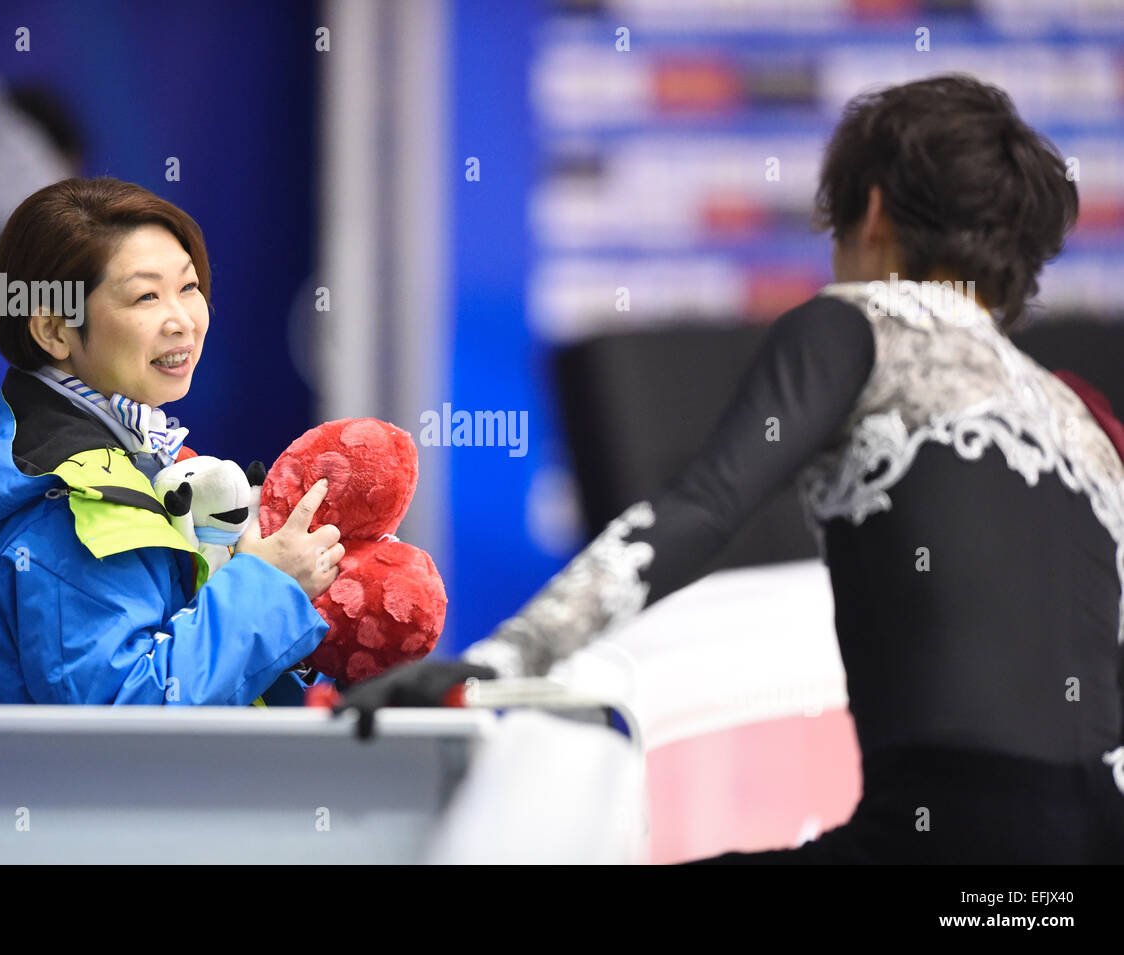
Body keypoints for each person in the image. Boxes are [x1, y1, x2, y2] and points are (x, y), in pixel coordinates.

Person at [338, 75, 1124, 863]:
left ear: (874, 211)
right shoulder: (1081, 420)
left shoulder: (860, 326)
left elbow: (704, 505)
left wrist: (496, 659)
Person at [0, 177, 343, 706]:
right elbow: (126, 719)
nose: (183, 321)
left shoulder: (135, 456)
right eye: (146, 296)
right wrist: (268, 589)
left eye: (188, 287)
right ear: (53, 329)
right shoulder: (64, 505)